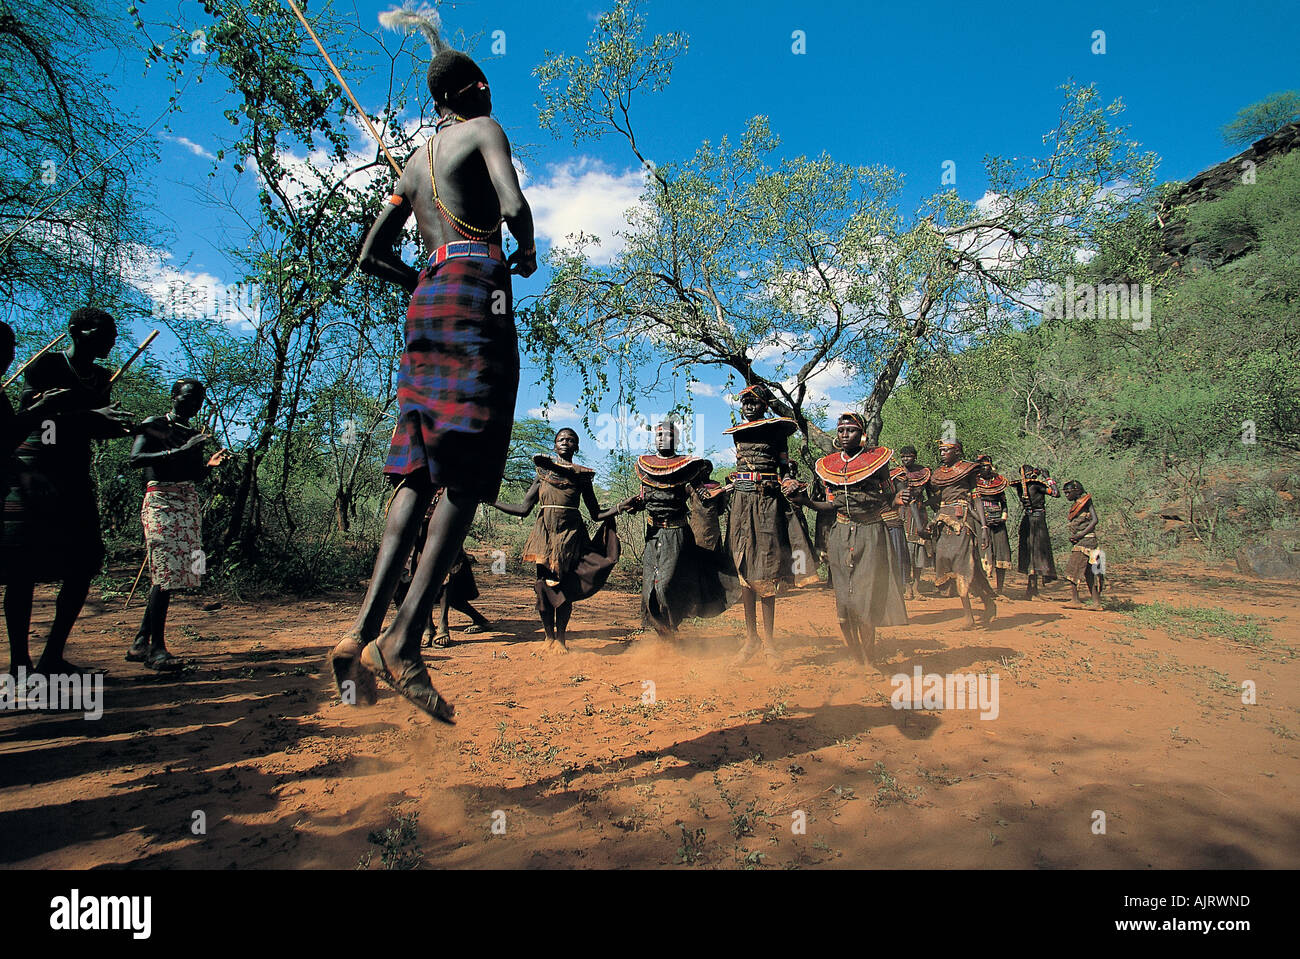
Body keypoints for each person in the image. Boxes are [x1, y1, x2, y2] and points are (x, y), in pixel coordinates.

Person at [329, 47, 536, 722]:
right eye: (488, 87)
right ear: (473, 89)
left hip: (427, 299)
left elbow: (370, 256)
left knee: (418, 472)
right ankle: (403, 639)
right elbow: (512, 205)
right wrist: (526, 250)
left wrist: (424, 276)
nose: (492, 96)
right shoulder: (483, 132)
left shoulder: (414, 165)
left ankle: (358, 630)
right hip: (477, 290)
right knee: (468, 473)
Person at [3, 308, 138, 675]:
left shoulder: (99, 377)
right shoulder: (46, 366)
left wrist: (126, 428)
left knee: (83, 563)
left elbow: (94, 427)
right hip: (35, 472)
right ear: (78, 331)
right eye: (104, 331)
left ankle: (51, 658)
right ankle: (20, 663)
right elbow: (38, 422)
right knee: (22, 569)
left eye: (113, 333)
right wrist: (89, 419)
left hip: (74, 477)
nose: (111, 339)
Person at [491, 428, 635, 653]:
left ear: (576, 447)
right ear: (554, 445)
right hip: (545, 536)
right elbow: (522, 509)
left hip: (571, 536)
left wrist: (619, 508)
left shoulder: (581, 478)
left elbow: (596, 513)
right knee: (543, 587)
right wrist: (492, 502)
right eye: (561, 439)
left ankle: (561, 639)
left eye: (571, 440)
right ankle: (548, 637)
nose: (565, 442)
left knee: (565, 588)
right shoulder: (542, 475)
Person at [786, 413, 907, 667]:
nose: (844, 435)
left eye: (850, 430)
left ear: (861, 435)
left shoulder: (877, 461)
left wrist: (896, 500)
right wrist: (806, 502)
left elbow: (890, 493)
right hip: (840, 534)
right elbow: (830, 505)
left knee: (865, 599)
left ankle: (869, 658)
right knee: (844, 602)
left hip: (871, 532)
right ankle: (857, 657)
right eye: (840, 430)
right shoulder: (829, 466)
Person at [125, 379, 231, 671]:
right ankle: (156, 649)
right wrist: (181, 450)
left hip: (186, 502)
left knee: (171, 573)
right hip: (159, 499)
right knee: (166, 572)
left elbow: (192, 474)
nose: (194, 403)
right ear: (173, 397)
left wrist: (209, 466)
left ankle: (140, 641)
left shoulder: (193, 434)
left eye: (199, 399)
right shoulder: (156, 424)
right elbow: (136, 458)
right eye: (188, 397)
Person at [720, 384, 820, 669]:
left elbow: (785, 467)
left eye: (754, 402)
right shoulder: (738, 432)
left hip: (766, 504)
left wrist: (788, 481)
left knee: (765, 571)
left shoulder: (777, 431)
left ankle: (770, 644)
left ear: (765, 404)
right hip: (741, 504)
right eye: (745, 402)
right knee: (744, 570)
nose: (749, 406)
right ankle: (751, 640)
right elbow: (742, 467)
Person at [625, 419, 738, 637]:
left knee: (667, 585)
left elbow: (701, 494)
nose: (662, 438)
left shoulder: (687, 466)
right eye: (658, 435)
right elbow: (643, 498)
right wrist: (634, 505)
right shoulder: (645, 465)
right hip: (652, 533)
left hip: (676, 533)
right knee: (650, 587)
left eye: (667, 435)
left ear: (675, 439)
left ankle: (671, 626)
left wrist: (722, 491)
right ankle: (664, 635)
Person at [392, 490, 493, 648]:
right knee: (416, 581)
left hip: (447, 538)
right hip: (420, 541)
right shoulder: (420, 483)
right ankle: (427, 626)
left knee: (446, 582)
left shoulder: (451, 484)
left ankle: (442, 625)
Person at [925, 439, 998, 629]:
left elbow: (977, 499)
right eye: (940, 450)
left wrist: (983, 527)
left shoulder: (968, 470)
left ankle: (969, 617)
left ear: (957, 452)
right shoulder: (940, 474)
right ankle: (986, 599)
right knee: (945, 559)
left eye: (946, 450)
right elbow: (940, 497)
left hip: (962, 521)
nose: (941, 453)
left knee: (962, 564)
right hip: (944, 521)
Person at [1011, 465, 1059, 599]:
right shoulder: (1036, 485)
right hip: (1038, 521)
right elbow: (1056, 493)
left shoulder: (1020, 486)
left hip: (1027, 519)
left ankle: (1031, 589)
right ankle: (1033, 589)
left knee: (1030, 552)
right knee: (1037, 552)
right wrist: (1048, 478)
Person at [897, 445, 933, 600]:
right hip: (903, 514)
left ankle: (917, 588)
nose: (906, 459)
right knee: (905, 552)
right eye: (903, 457)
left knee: (918, 552)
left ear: (915, 457)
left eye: (909, 456)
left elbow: (934, 495)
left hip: (920, 513)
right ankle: (907, 588)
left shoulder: (924, 473)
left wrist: (925, 504)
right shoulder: (898, 474)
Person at [974, 455, 1013, 595]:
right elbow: (971, 505)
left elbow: (1004, 504)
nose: (986, 468)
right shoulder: (974, 483)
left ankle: (1000, 590)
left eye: (988, 465)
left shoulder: (998, 482)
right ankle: (985, 590)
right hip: (980, 522)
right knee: (982, 554)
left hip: (998, 522)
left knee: (1001, 554)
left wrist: (1003, 518)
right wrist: (982, 520)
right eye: (983, 465)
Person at [1062, 480, 1104, 606]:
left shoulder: (1086, 501)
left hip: (1086, 541)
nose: (1066, 495)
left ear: (1077, 491)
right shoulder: (1077, 504)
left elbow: (1095, 520)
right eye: (1065, 493)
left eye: (1068, 492)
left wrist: (1080, 534)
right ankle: (1096, 603)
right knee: (1088, 573)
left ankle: (1075, 600)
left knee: (1073, 570)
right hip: (1085, 541)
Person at [882, 464, 913, 597]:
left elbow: (905, 498)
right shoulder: (863, 478)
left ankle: (900, 592)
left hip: (892, 524)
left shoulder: (896, 477)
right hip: (872, 526)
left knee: (897, 562)